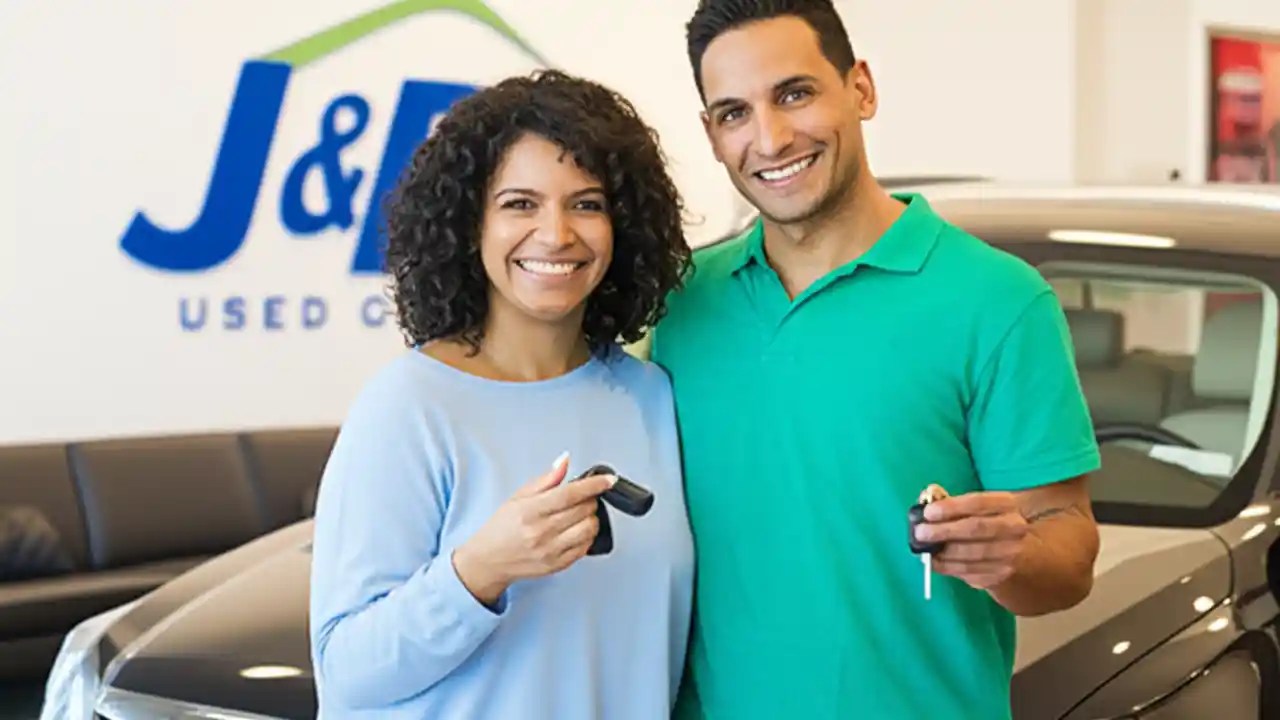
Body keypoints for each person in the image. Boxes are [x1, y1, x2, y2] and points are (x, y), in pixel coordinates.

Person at [649, 2, 1102, 718]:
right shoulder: (680, 309)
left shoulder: (999, 302)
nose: (769, 138)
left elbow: (1069, 556)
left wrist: (1011, 558)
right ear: (711, 133)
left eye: (794, 94)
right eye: (734, 112)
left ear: (860, 88)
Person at [308, 69, 695, 720]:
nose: (556, 233)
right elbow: (346, 671)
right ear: (469, 224)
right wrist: (478, 572)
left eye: (587, 203)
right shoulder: (410, 407)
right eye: (520, 203)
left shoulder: (650, 398)